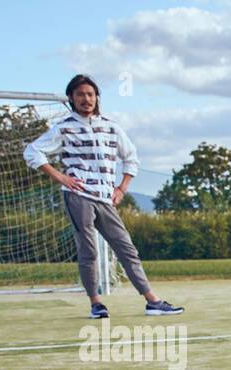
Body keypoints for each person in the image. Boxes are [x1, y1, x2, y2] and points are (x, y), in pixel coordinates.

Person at [24, 74, 183, 320]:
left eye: (90, 94)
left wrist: (121, 188)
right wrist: (61, 177)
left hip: (106, 199)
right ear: (71, 99)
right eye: (80, 95)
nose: (86, 99)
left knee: (126, 248)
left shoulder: (112, 127)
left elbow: (131, 158)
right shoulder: (64, 128)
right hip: (78, 196)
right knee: (89, 251)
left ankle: (152, 301)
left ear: (97, 97)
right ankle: (96, 303)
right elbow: (32, 151)